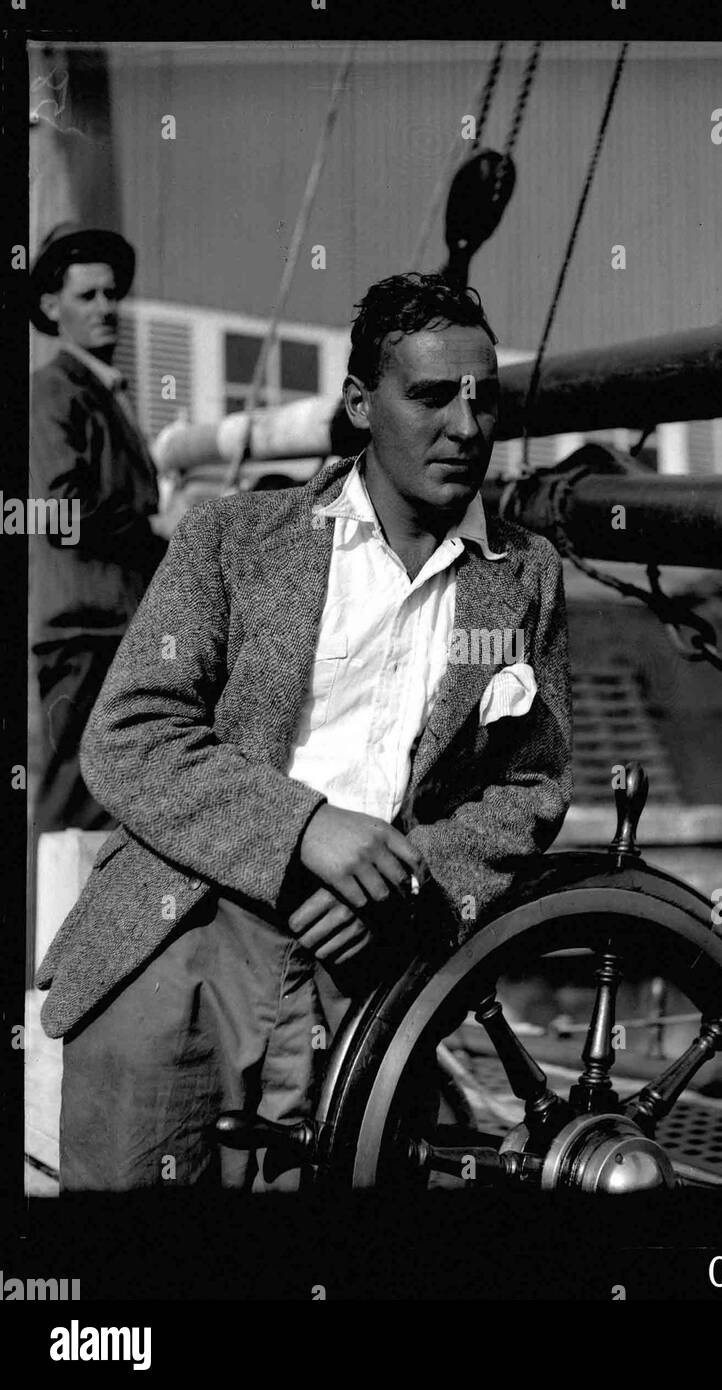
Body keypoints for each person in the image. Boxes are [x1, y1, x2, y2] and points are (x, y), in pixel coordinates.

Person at [36, 271, 572, 1192]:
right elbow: (129, 732)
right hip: (183, 947)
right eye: (432, 396)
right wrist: (305, 830)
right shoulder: (234, 536)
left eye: (486, 398)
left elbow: (534, 784)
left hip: (369, 978)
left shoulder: (524, 577)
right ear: (361, 404)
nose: (466, 425)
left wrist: (408, 879)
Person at [29, 222, 168, 833]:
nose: (107, 309)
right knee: (70, 800)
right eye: (88, 296)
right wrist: (158, 524)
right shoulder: (52, 392)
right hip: (85, 633)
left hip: (120, 630)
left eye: (112, 295)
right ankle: (37, 928)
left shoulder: (108, 396)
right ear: (50, 306)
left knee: (110, 804)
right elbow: (60, 513)